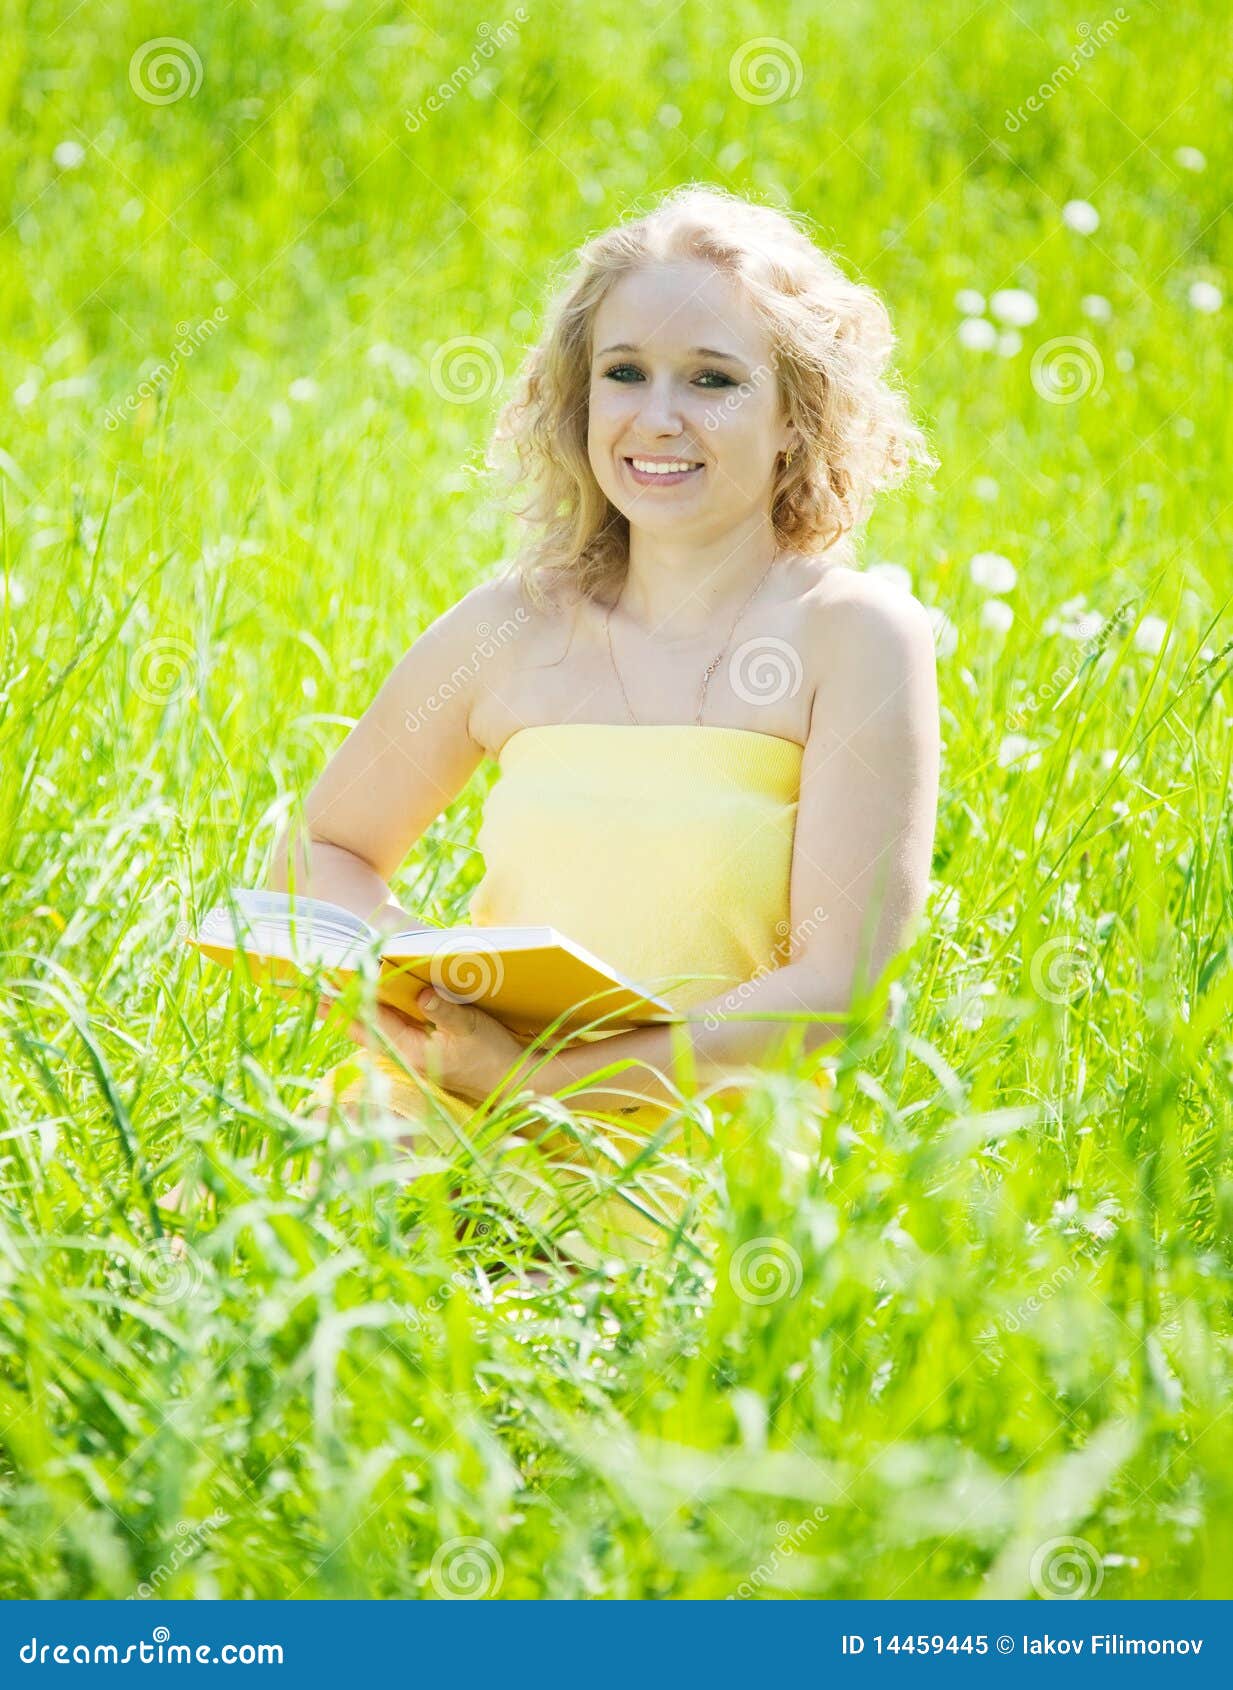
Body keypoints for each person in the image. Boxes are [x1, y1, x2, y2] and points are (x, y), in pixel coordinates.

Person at [276, 184, 941, 1271]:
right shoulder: (510, 626)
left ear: (795, 420)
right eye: (624, 372)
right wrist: (402, 983)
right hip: (459, 1097)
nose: (657, 417)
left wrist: (543, 1085)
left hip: (702, 1142)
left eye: (714, 381)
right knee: (330, 1264)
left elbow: (839, 984)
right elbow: (327, 847)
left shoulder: (854, 635)